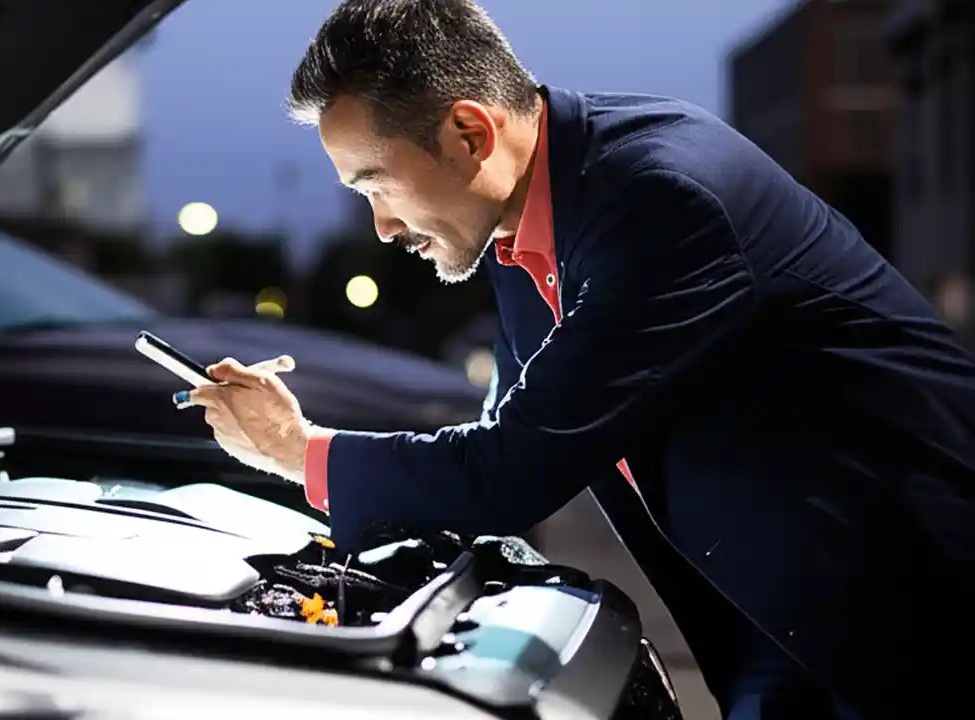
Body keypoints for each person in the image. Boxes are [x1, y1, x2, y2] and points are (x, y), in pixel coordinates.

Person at [177, 1, 975, 717]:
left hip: (919, 594)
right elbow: (509, 428)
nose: (381, 227)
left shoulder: (663, 200)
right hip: (777, 612)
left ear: (469, 133)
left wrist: (299, 451)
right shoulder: (518, 222)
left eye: (375, 185)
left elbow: (514, 466)